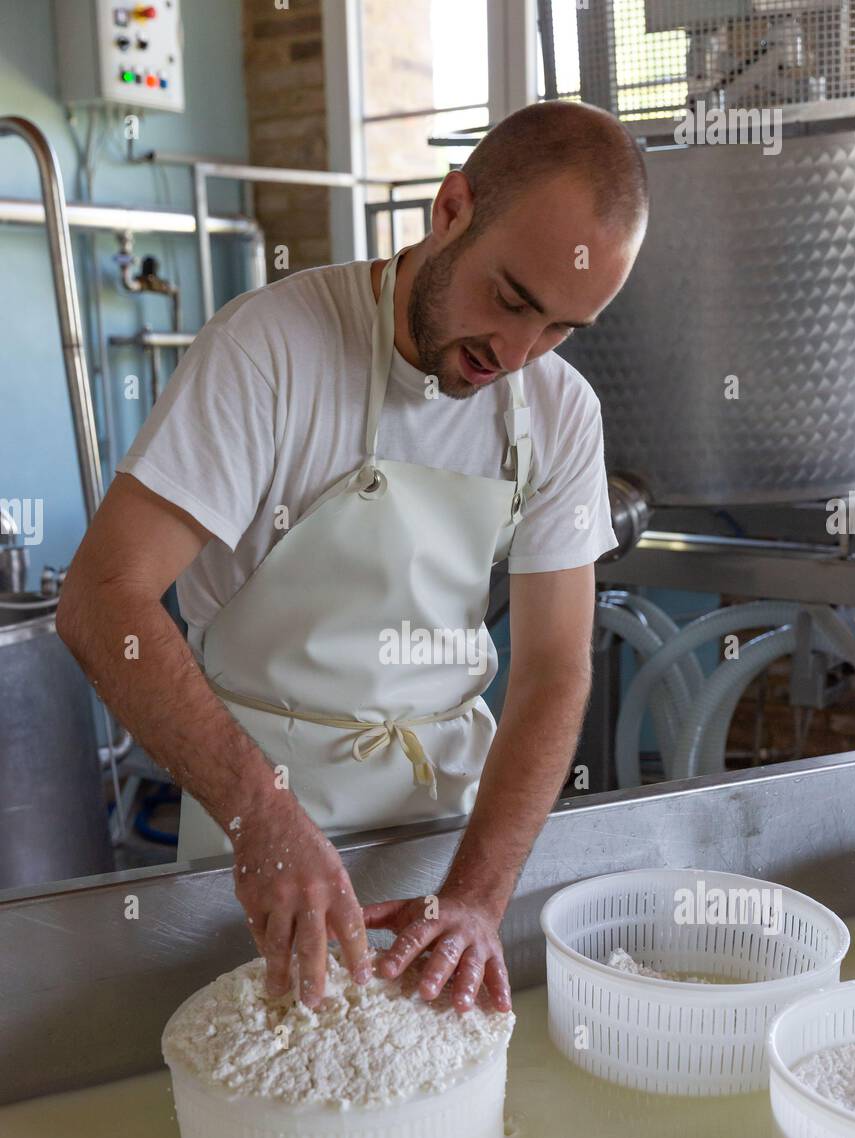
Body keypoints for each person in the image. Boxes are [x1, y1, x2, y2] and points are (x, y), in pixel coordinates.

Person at [56, 100, 648, 1015]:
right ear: (451, 209)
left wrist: (476, 898)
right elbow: (102, 598)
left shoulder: (559, 413)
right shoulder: (269, 352)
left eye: (564, 328)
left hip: (444, 847)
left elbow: (554, 667)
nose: (518, 354)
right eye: (512, 300)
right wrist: (263, 821)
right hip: (258, 846)